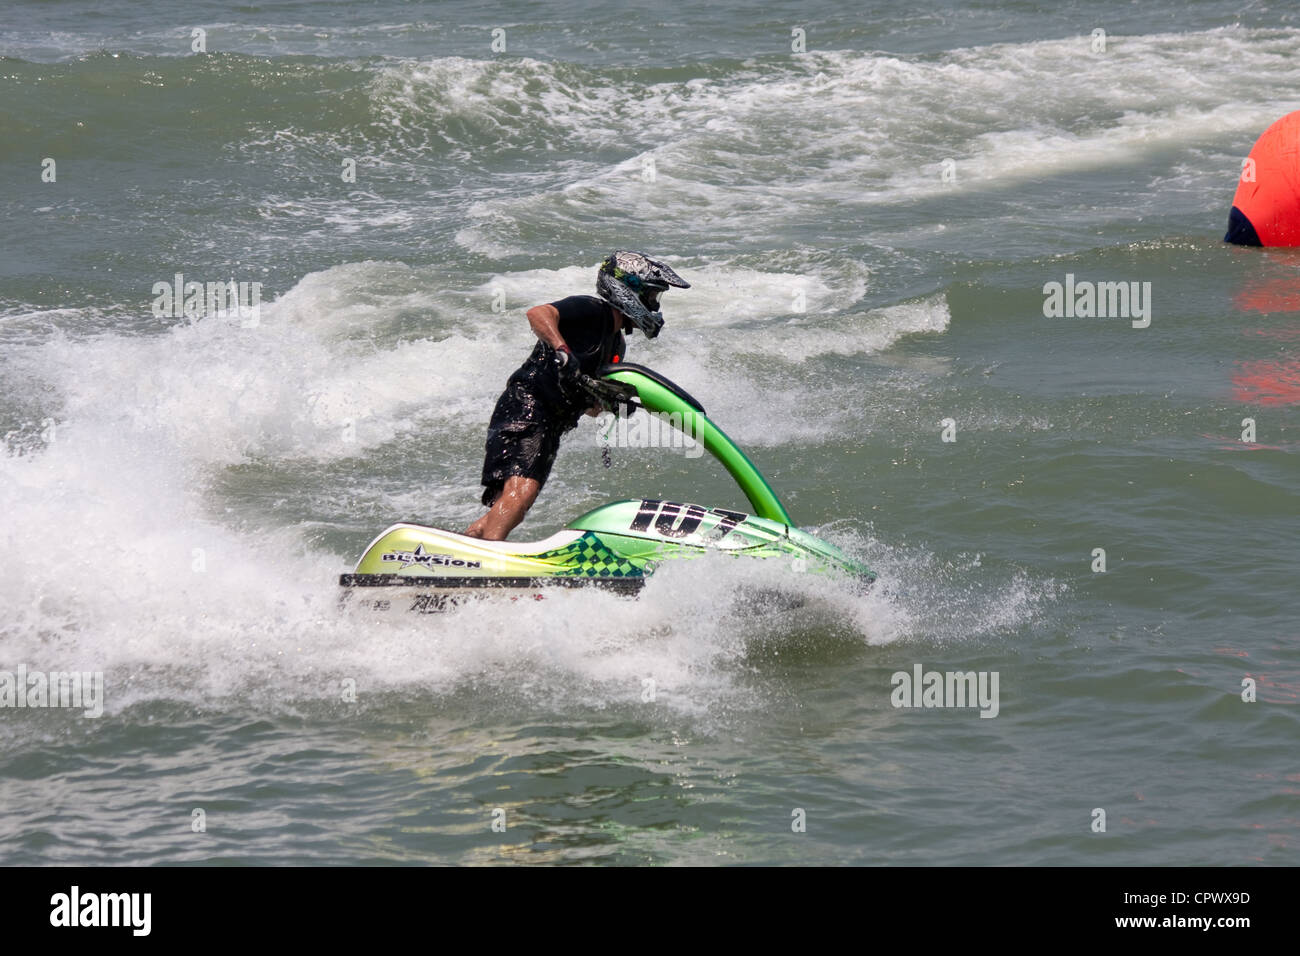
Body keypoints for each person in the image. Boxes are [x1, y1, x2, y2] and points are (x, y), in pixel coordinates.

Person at [465, 251, 689, 540]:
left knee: (515, 502)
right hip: (527, 407)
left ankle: (461, 552)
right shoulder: (591, 309)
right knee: (520, 494)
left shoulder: (616, 343)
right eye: (651, 297)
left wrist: (609, 403)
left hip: (550, 424)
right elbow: (538, 314)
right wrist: (562, 350)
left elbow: (591, 406)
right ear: (628, 290)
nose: (654, 306)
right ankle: (489, 565)